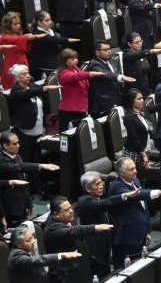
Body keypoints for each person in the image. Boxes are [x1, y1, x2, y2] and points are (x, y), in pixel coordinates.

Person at [108, 157, 161, 266]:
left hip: (139, 232)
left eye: (135, 168)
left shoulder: (135, 181)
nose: (135, 171)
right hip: (126, 237)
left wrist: (147, 230)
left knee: (140, 265)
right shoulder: (116, 187)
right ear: (121, 173)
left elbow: (143, 207)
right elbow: (138, 195)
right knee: (124, 268)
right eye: (131, 169)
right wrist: (160, 192)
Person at [43, 195, 113, 283]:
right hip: (69, 279)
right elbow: (75, 231)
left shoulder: (60, 220)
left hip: (80, 270)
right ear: (56, 214)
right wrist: (96, 227)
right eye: (66, 210)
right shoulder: (52, 229)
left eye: (70, 208)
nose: (71, 211)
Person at [76, 172, 141, 279]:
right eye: (97, 184)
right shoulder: (84, 201)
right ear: (88, 189)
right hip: (95, 246)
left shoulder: (96, 197)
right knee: (101, 274)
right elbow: (103, 204)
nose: (101, 186)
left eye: (101, 182)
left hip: (106, 241)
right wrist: (124, 195)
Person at [8, 64, 60, 194]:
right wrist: (45, 88)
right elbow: (27, 94)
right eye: (24, 74)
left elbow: (41, 106)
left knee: (36, 161)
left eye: (28, 73)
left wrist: (44, 126)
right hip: (23, 133)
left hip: (38, 131)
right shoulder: (15, 90)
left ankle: (36, 187)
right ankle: (26, 190)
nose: (28, 76)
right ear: (17, 78)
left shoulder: (32, 86)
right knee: (25, 162)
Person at [8, 226, 80, 283]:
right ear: (18, 244)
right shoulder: (16, 256)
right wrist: (61, 255)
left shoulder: (23, 251)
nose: (33, 241)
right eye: (28, 240)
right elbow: (37, 260)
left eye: (32, 237)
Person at [57, 48, 105, 132]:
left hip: (81, 109)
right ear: (65, 61)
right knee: (69, 137)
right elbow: (76, 76)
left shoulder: (77, 69)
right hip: (69, 111)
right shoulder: (63, 73)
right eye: (72, 59)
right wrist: (91, 73)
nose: (76, 60)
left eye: (76, 58)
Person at [86, 40, 136, 119]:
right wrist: (122, 77)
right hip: (102, 104)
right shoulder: (94, 64)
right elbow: (105, 73)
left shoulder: (114, 61)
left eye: (109, 49)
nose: (109, 51)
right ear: (97, 52)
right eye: (105, 50)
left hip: (117, 100)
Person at [0, 11, 46, 89]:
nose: (18, 26)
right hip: (11, 68)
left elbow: (24, 46)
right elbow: (17, 40)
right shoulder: (4, 37)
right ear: (8, 25)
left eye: (19, 23)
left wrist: (28, 37)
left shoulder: (18, 34)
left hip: (23, 64)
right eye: (15, 24)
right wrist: (35, 36)